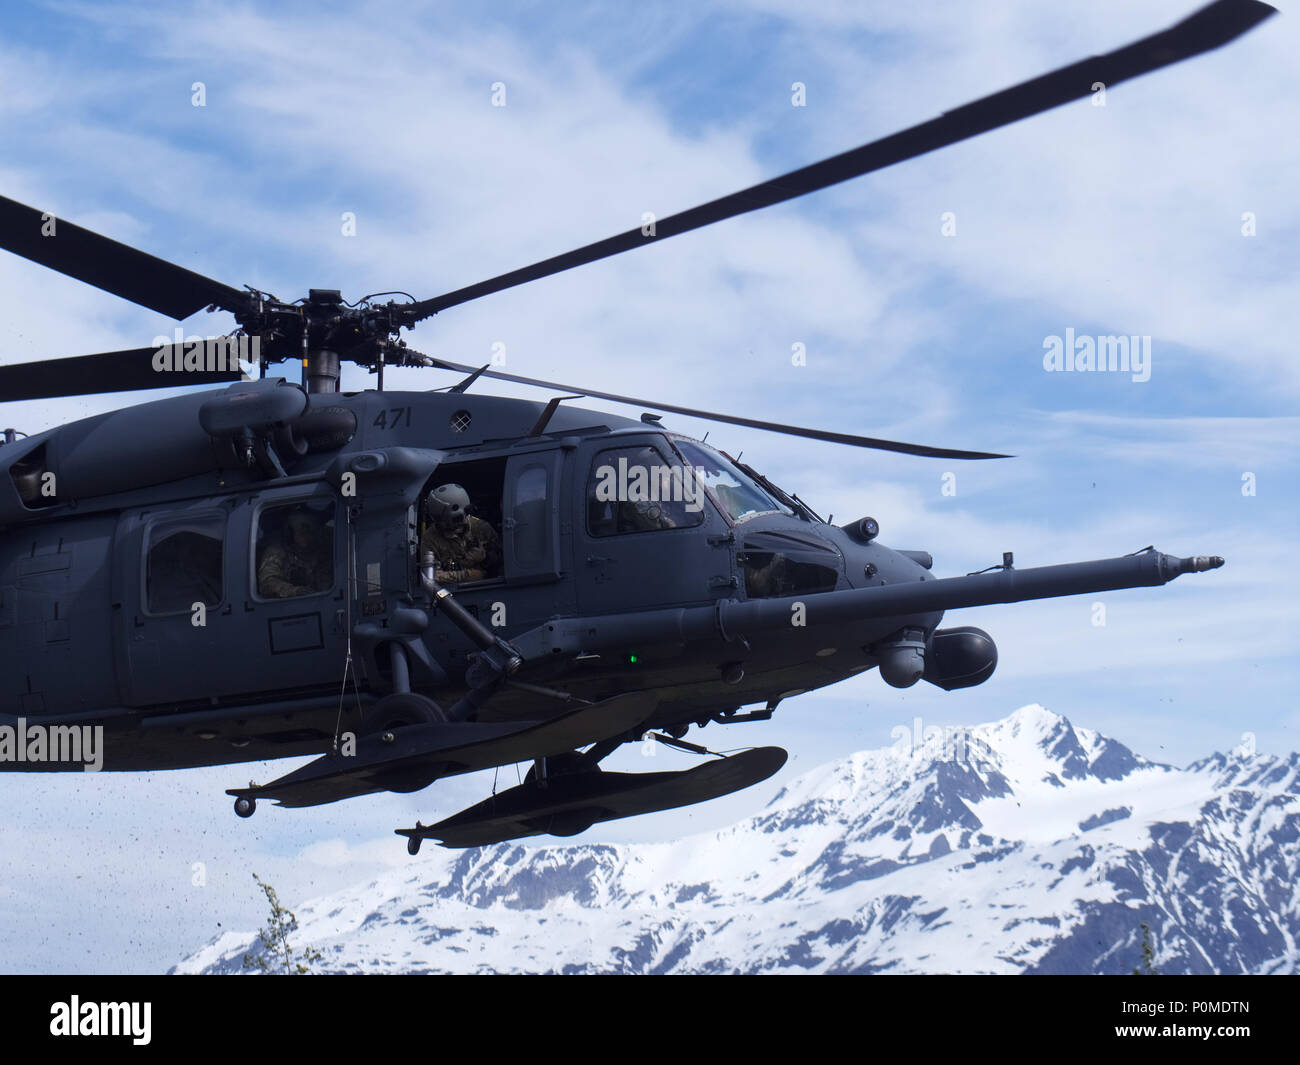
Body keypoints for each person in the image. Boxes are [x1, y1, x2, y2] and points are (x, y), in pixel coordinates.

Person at [419, 483, 502, 583]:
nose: (441, 524)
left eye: (444, 520)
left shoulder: (482, 529)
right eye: (438, 520)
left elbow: (502, 561)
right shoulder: (430, 538)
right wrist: (467, 575)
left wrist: (485, 558)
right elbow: (432, 576)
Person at [258, 508, 332, 598]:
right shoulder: (276, 551)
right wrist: (294, 591)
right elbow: (267, 583)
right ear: (290, 533)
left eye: (309, 531)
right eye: (301, 531)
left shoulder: (322, 549)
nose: (306, 535)